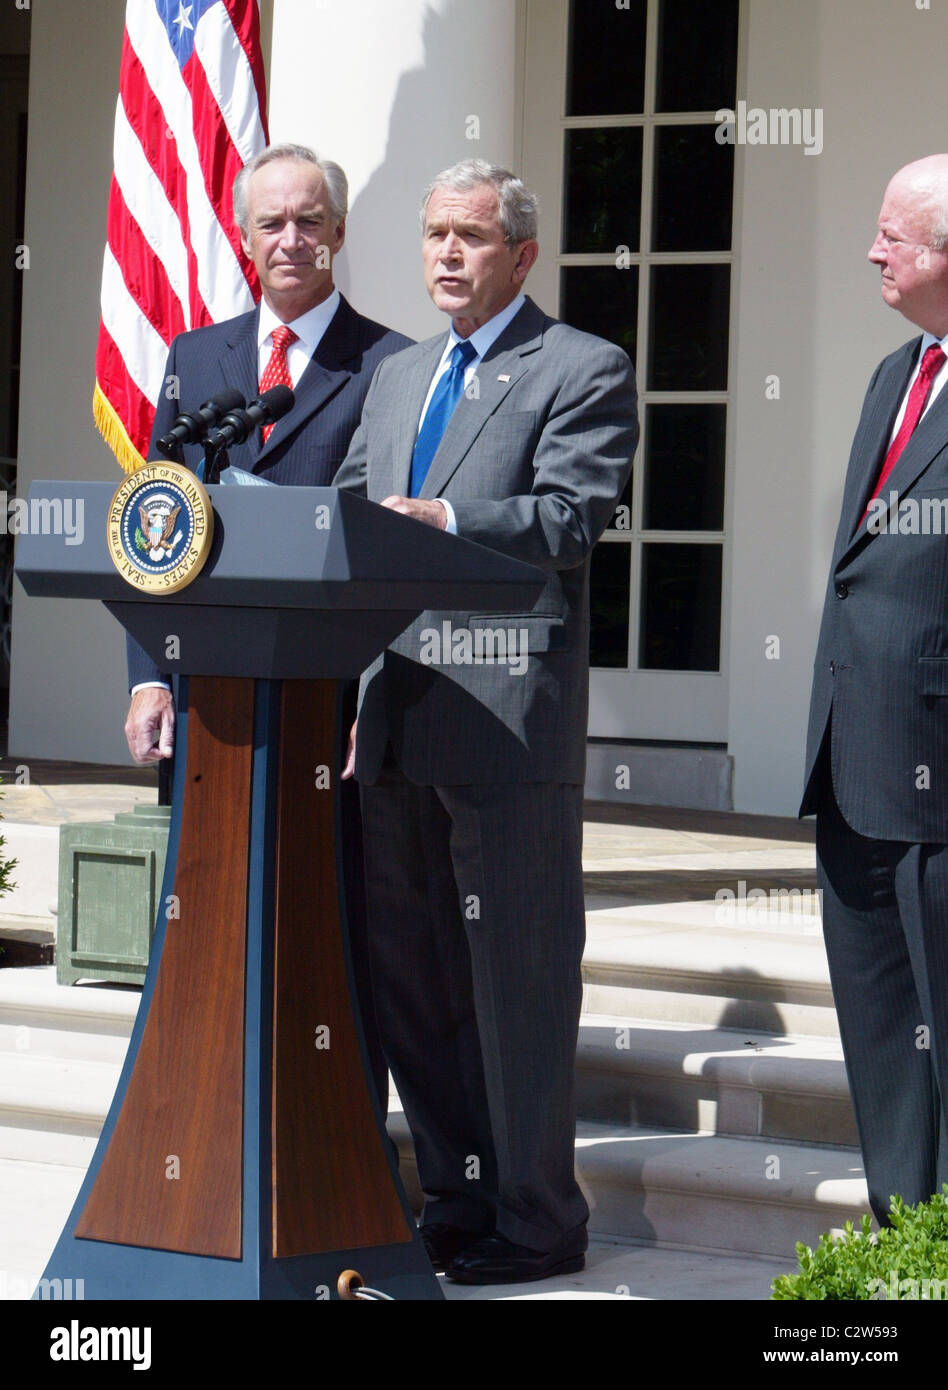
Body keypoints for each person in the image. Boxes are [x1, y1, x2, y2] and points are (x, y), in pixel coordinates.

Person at [335, 158, 638, 1283]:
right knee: (418, 983)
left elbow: (572, 514)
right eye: (432, 236)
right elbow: (353, 531)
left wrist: (447, 516)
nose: (446, 256)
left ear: (521, 255)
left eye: (468, 237)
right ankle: (455, 1204)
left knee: (514, 982)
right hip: (399, 720)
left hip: (508, 726)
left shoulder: (581, 367)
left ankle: (539, 1220)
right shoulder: (399, 374)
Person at [123, 143, 412, 756]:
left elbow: (395, 547)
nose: (292, 240)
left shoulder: (394, 364)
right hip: (204, 686)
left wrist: (376, 696)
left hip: (329, 686)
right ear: (245, 236)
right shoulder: (194, 356)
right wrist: (150, 677)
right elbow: (153, 522)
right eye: (271, 223)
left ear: (339, 231)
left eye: (309, 222)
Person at [801, 154, 948, 1224]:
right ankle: (910, 1245)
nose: (873, 249)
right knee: (884, 1028)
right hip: (855, 759)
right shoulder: (895, 374)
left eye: (895, 234)